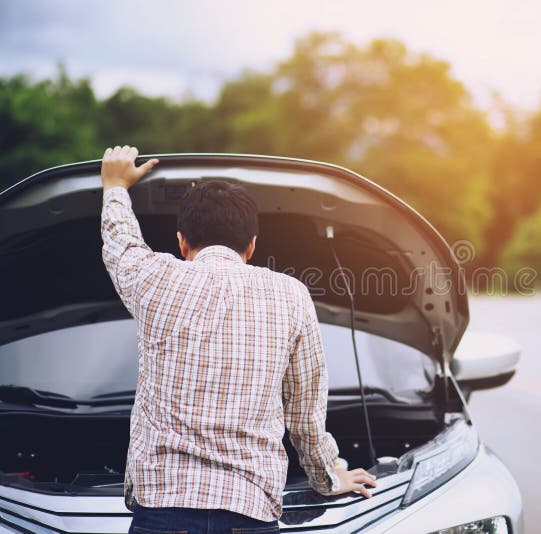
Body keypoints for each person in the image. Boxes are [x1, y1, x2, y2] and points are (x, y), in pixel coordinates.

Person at [99, 146, 377, 534]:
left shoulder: (156, 279)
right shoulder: (291, 295)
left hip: (163, 513)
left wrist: (115, 186)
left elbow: (121, 246)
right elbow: (304, 412)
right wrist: (329, 476)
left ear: (182, 243)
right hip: (250, 513)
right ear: (251, 246)